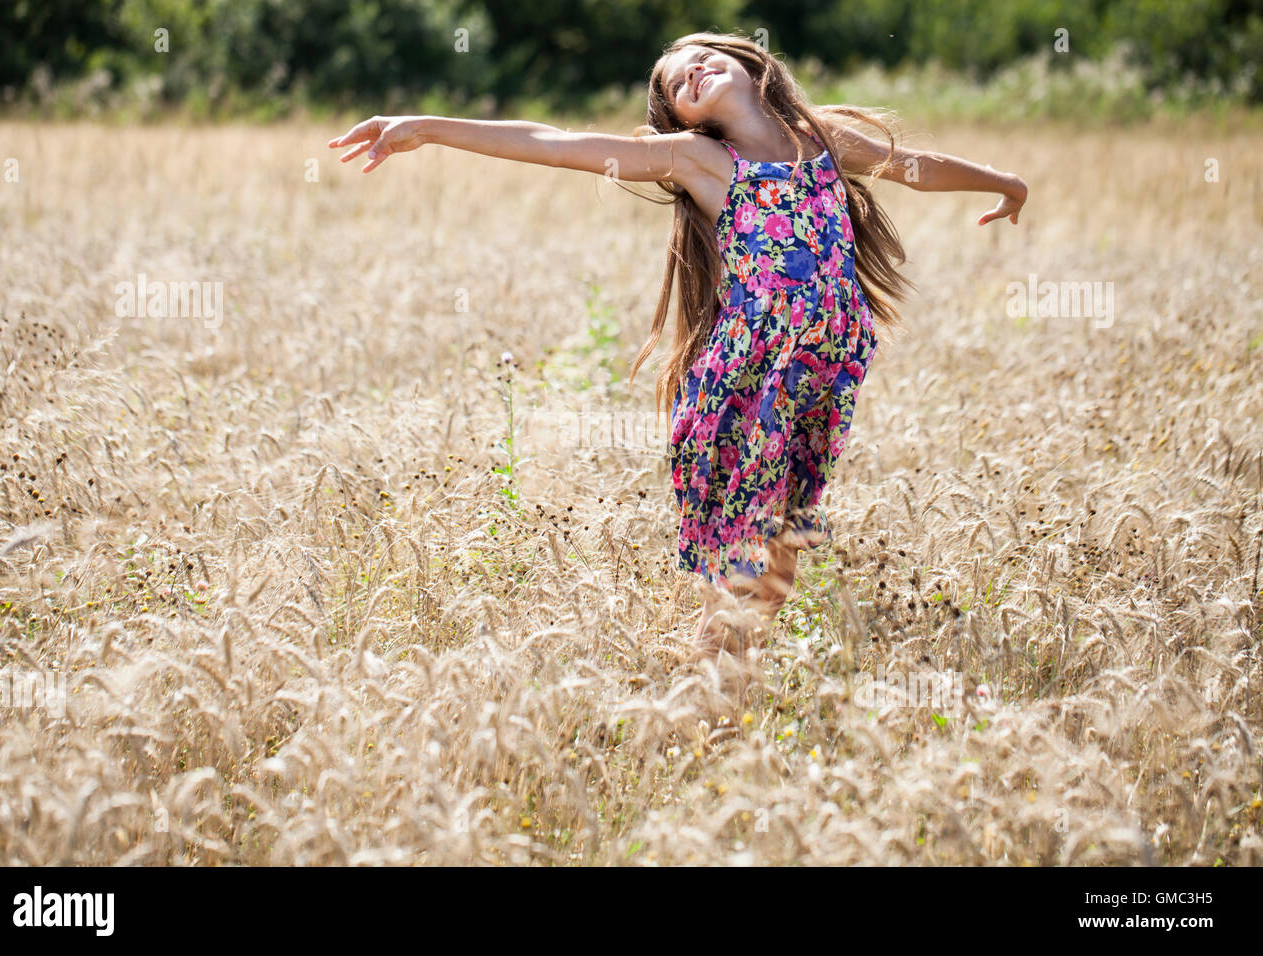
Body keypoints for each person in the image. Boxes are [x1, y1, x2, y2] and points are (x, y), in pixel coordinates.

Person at [328, 31, 1027, 657]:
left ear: (746, 62)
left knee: (773, 575)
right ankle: (708, 710)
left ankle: (706, 701)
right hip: (746, 388)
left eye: (701, 59)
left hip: (814, 383)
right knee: (749, 573)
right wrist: (425, 128)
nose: (690, 73)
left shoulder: (823, 140)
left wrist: (1004, 182)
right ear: (682, 117)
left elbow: (915, 167)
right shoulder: (699, 159)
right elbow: (557, 143)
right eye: (674, 83)